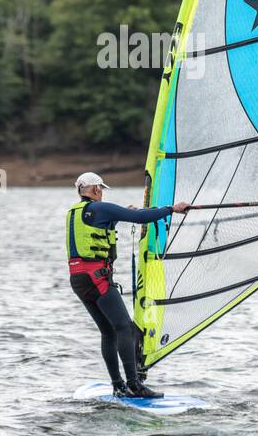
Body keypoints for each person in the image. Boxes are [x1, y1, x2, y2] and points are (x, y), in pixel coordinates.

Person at [67, 171, 189, 399]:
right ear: (95, 190)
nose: (101, 193)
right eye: (101, 189)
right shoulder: (101, 208)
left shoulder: (75, 212)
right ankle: (134, 385)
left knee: (108, 332)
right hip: (97, 278)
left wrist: (126, 213)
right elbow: (142, 219)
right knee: (124, 327)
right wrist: (172, 209)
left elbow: (107, 220)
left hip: (78, 279)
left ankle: (118, 385)